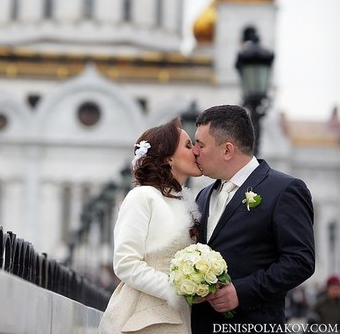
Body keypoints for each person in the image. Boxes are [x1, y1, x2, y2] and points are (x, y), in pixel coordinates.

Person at [191, 104, 315, 333]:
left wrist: (242, 291)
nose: (194, 151)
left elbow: (300, 261)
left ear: (227, 150)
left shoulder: (283, 190)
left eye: (200, 144)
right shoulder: (203, 195)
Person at [98, 118, 202, 334]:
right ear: (168, 157)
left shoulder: (184, 201)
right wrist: (180, 290)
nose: (195, 151)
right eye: (188, 145)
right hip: (142, 320)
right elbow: (126, 263)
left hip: (178, 319)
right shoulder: (142, 196)